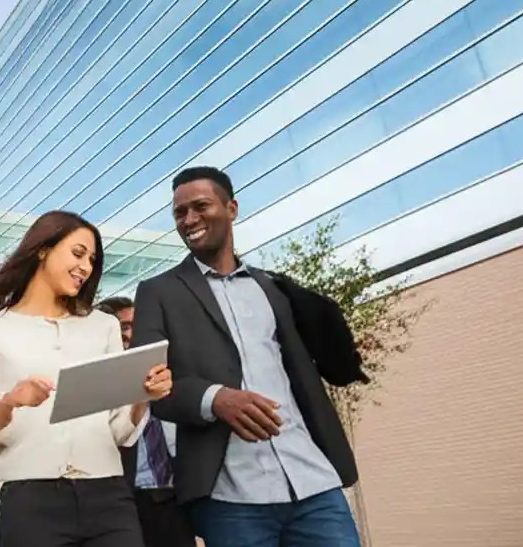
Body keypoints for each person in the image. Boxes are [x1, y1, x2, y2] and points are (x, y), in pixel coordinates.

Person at [131, 166, 360, 546]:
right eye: (179, 213)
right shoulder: (157, 292)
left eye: (200, 206)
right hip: (230, 498)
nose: (189, 219)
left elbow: (308, 369)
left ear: (232, 208)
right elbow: (149, 384)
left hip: (313, 483)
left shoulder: (273, 287)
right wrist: (215, 399)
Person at [0, 210, 172, 547]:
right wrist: (9, 402)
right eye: (77, 253)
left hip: (109, 495)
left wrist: (142, 394)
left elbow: (120, 432)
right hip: (30, 500)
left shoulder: (102, 327)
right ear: (43, 249)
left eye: (92, 259)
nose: (86, 267)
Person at [95, 297, 196, 547]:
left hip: (173, 497)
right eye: (125, 327)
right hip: (122, 500)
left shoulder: (169, 376)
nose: (135, 334)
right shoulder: (100, 386)